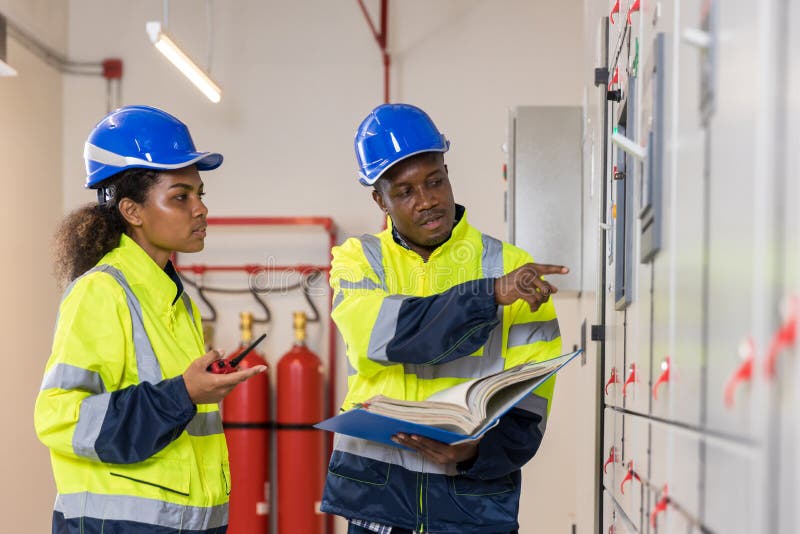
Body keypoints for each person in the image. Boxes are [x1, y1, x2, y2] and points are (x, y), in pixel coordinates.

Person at [320, 103, 569, 534]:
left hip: (472, 508)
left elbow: (533, 401)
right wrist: (488, 296)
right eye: (405, 191)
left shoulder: (513, 266)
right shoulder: (358, 260)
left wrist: (477, 451)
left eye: (435, 181)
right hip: (379, 504)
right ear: (379, 199)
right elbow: (380, 336)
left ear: (448, 173)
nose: (427, 201)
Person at [34, 105, 266, 533]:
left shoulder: (174, 298)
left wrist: (194, 389)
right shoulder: (101, 291)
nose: (200, 209)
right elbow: (61, 418)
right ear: (132, 210)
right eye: (181, 196)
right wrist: (182, 393)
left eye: (200, 195)